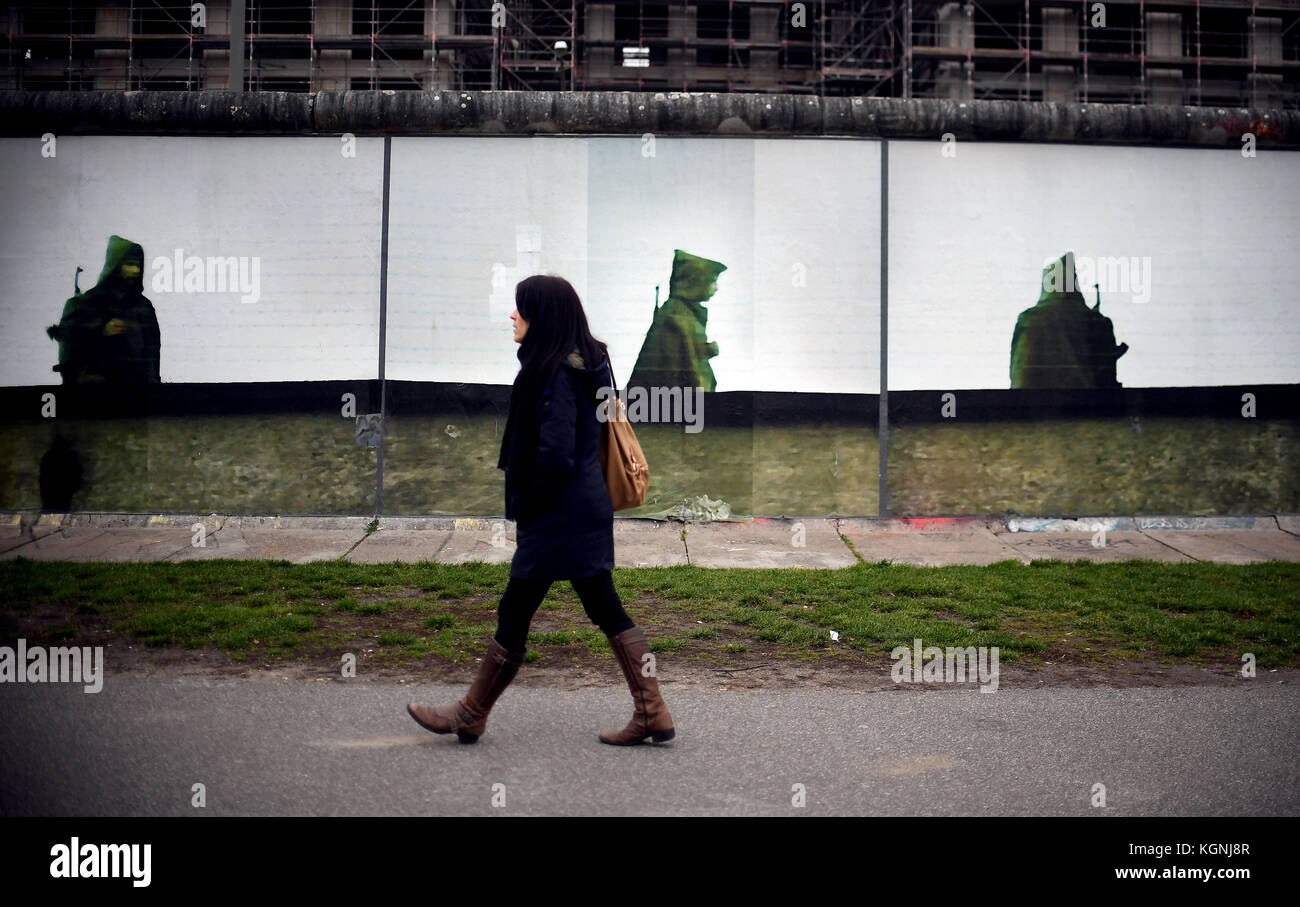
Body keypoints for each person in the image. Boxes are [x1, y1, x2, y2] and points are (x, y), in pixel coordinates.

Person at [407, 274, 675, 746]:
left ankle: (470, 714)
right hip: (582, 507)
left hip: (558, 515)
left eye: (521, 308)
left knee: (519, 609)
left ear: (542, 317)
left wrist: (531, 506)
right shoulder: (587, 363)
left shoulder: (553, 373)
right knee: (601, 607)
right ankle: (652, 711)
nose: (513, 315)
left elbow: (554, 453)